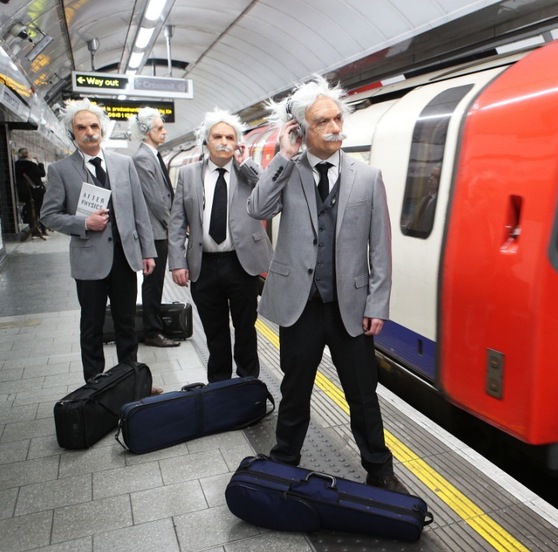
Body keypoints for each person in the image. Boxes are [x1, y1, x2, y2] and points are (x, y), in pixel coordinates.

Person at [247, 76, 403, 492]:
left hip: (349, 306)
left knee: (363, 394)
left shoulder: (367, 177)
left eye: (337, 118)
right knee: (295, 390)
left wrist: (377, 303)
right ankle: (285, 460)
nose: (335, 127)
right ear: (301, 129)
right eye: (322, 121)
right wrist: (282, 156)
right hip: (300, 304)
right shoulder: (287, 172)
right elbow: (257, 208)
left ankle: (379, 469)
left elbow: (381, 247)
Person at [40, 98, 160, 390]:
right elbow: (49, 215)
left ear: (102, 129)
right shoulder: (60, 170)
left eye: (94, 125)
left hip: (124, 259)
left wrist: (148, 251)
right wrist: (83, 224)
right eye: (81, 128)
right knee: (92, 327)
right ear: (73, 133)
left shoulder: (124, 164)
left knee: (126, 325)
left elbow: (138, 210)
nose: (89, 131)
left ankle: (131, 383)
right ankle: (96, 390)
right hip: (89, 261)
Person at [168, 109, 272, 382]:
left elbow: (270, 194)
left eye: (230, 136)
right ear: (206, 141)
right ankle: (219, 387)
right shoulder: (189, 174)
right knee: (215, 332)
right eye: (218, 136)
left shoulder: (246, 172)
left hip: (241, 264)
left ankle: (249, 383)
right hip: (204, 265)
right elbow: (177, 220)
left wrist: (247, 161)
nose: (224, 141)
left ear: (237, 142)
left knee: (245, 329)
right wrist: (177, 262)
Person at [129, 107, 179, 348]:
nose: (164, 132)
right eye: (160, 128)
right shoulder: (142, 159)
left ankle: (154, 326)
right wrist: (174, 227)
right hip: (155, 232)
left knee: (155, 283)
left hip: (160, 230)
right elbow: (155, 200)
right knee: (152, 284)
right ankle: (152, 331)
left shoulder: (151, 156)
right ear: (146, 132)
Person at [15, 147, 47, 239]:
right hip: (36, 191)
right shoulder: (31, 164)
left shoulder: (16, 165)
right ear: (28, 155)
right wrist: (39, 163)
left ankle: (33, 229)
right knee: (40, 210)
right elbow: (42, 173)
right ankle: (43, 230)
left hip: (25, 193)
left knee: (30, 210)